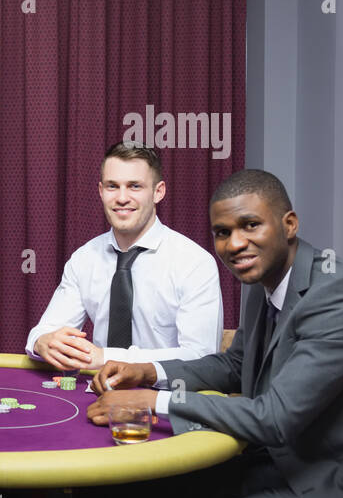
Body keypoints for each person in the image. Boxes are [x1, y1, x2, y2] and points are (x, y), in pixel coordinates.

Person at [89, 169, 343, 498]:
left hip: (332, 491)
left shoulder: (341, 294)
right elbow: (234, 367)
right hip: (274, 465)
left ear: (289, 224)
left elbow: (275, 418)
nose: (235, 244)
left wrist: (154, 401)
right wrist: (150, 370)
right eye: (222, 233)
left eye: (250, 226)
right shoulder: (266, 284)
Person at [26, 142, 222, 370]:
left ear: (158, 192)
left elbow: (201, 356)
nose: (121, 198)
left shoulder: (194, 263)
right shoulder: (84, 259)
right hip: (98, 393)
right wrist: (43, 342)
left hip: (168, 395)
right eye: (112, 186)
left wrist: (106, 357)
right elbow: (43, 332)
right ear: (101, 191)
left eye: (134, 186)